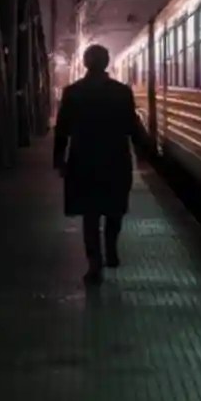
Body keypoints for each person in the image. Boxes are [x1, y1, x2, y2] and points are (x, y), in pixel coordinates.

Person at [53, 44, 137, 285]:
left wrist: (59, 160)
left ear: (86, 63)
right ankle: (111, 249)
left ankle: (94, 264)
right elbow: (131, 127)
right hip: (116, 159)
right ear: (108, 62)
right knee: (115, 209)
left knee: (90, 216)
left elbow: (62, 130)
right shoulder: (122, 92)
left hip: (83, 159)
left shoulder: (72, 92)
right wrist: (141, 153)